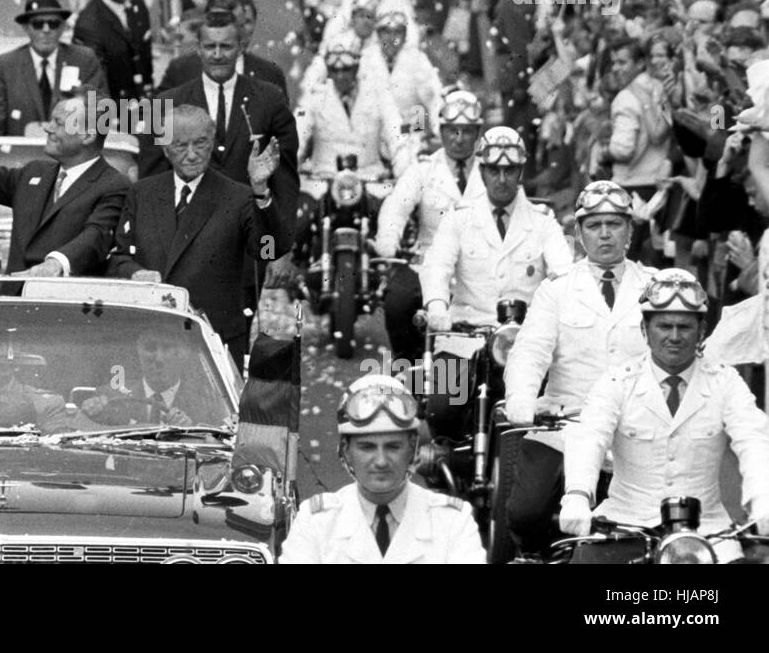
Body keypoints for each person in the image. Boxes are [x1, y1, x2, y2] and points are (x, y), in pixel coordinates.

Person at [560, 269, 769, 561]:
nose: (674, 336)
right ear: (645, 330)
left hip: (707, 530)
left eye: (684, 327)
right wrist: (578, 495)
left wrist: (762, 500)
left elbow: (753, 440)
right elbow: (590, 435)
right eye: (664, 326)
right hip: (626, 524)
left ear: (701, 331)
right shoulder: (618, 381)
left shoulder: (726, 381)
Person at [502, 181, 657, 556]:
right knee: (526, 512)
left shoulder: (655, 287)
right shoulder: (556, 289)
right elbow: (530, 352)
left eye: (614, 224)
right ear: (578, 233)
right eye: (594, 225)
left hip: (635, 429)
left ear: (630, 230)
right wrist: (524, 400)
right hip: (564, 425)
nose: (604, 234)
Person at [108, 104, 281, 370]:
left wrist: (260, 192)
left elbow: (267, 250)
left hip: (211, 337)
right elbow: (119, 257)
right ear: (165, 149)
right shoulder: (143, 193)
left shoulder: (238, 197)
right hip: (152, 338)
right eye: (180, 146)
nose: (192, 155)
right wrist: (134, 273)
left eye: (200, 144)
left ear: (212, 144)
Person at [0, 62, 127, 276]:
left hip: (64, 301)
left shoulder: (114, 186)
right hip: (14, 299)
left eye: (58, 122)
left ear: (87, 135)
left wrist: (55, 264)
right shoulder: (33, 173)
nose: (48, 128)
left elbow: (96, 236)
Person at [280, 374, 485, 564]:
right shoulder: (316, 522)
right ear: (346, 451)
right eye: (367, 447)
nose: (381, 461)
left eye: (393, 446)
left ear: (412, 449)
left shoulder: (453, 521)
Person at [149, 10, 299, 250]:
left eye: (226, 47)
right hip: (184, 242)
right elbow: (153, 180)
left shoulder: (269, 99)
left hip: (249, 242)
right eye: (210, 47)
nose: (217, 55)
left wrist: (281, 248)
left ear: (240, 48)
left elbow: (286, 180)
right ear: (198, 48)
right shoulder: (168, 103)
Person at [421, 126, 572, 333]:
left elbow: (564, 273)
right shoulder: (458, 218)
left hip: (526, 335)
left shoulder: (543, 221)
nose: (501, 179)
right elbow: (437, 265)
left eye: (509, 170)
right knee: (445, 366)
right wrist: (437, 304)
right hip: (468, 330)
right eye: (494, 170)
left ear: (520, 171)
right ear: (482, 172)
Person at [374, 90, 484, 364]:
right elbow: (397, 204)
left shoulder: (492, 171)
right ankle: (407, 366)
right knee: (397, 302)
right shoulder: (423, 169)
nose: (459, 139)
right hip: (425, 259)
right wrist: (388, 236)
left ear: (478, 133)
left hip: (478, 264)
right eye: (452, 130)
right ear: (442, 131)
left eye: (466, 131)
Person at [0, 0, 106, 137]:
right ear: (26, 28)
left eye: (53, 24)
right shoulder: (5, 66)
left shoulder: (84, 60)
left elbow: (98, 119)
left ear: (63, 27)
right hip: (19, 157)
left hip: (72, 156)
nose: (46, 30)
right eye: (38, 24)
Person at [295, 38, 411, 200]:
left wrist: (404, 171)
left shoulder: (378, 94)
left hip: (370, 181)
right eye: (334, 70)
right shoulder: (314, 95)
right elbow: (297, 134)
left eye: (346, 69)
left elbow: (397, 133)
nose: (340, 76)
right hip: (322, 182)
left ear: (357, 68)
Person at [603, 38, 671, 260]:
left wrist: (603, 153)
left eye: (622, 62)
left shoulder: (626, 97)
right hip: (660, 189)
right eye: (614, 62)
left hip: (632, 190)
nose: (616, 68)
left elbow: (623, 150)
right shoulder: (662, 87)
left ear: (641, 62)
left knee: (623, 265)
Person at [80, 328, 225, 427]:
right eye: (150, 348)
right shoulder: (110, 397)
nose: (159, 358)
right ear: (139, 351)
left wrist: (189, 431)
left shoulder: (207, 405)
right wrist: (88, 412)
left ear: (184, 353)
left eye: (168, 348)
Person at [156, 0, 289, 98]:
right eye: (218, 23)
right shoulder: (180, 70)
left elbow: (282, 128)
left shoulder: (269, 74)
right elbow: (154, 120)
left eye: (237, 24)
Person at [72, 0, 154, 104]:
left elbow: (145, 63)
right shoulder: (89, 24)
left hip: (144, 105)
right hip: (114, 113)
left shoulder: (138, 6)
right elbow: (94, 85)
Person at [375, 9, 442, 137]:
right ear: (378, 35)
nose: (391, 38)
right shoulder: (367, 59)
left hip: (410, 134)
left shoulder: (417, 60)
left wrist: (438, 131)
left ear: (405, 36)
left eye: (397, 32)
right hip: (376, 137)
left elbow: (434, 99)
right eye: (386, 32)